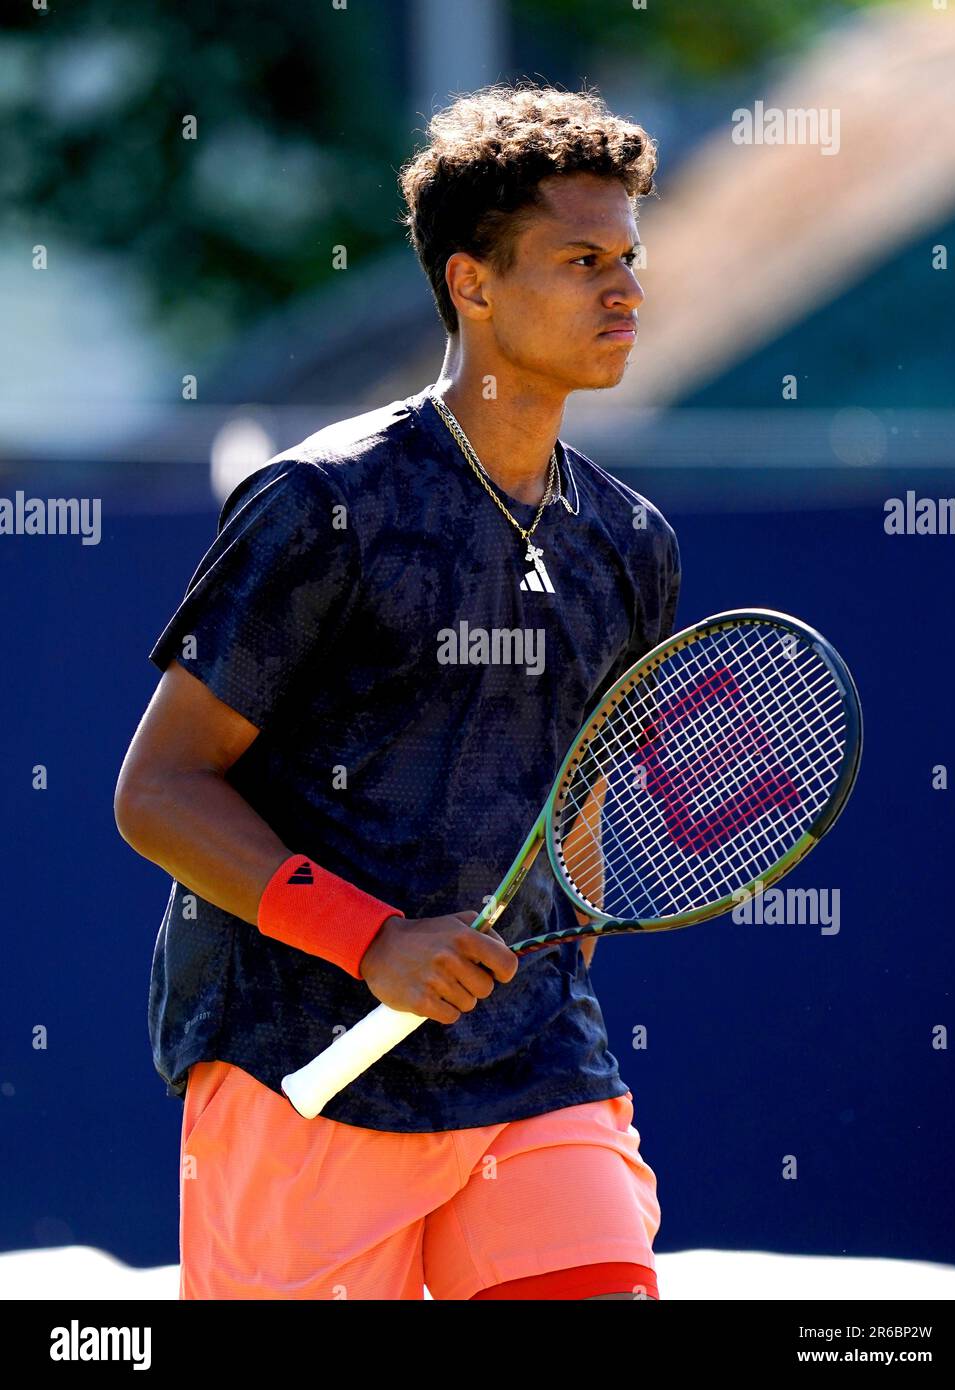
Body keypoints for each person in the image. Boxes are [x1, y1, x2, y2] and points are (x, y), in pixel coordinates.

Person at [114, 82, 680, 1301]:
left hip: (531, 1066)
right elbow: (158, 791)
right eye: (582, 259)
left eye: (628, 256)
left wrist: (549, 940)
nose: (625, 290)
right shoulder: (321, 503)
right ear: (471, 282)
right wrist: (371, 940)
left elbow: (568, 813)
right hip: (296, 1057)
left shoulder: (633, 544)